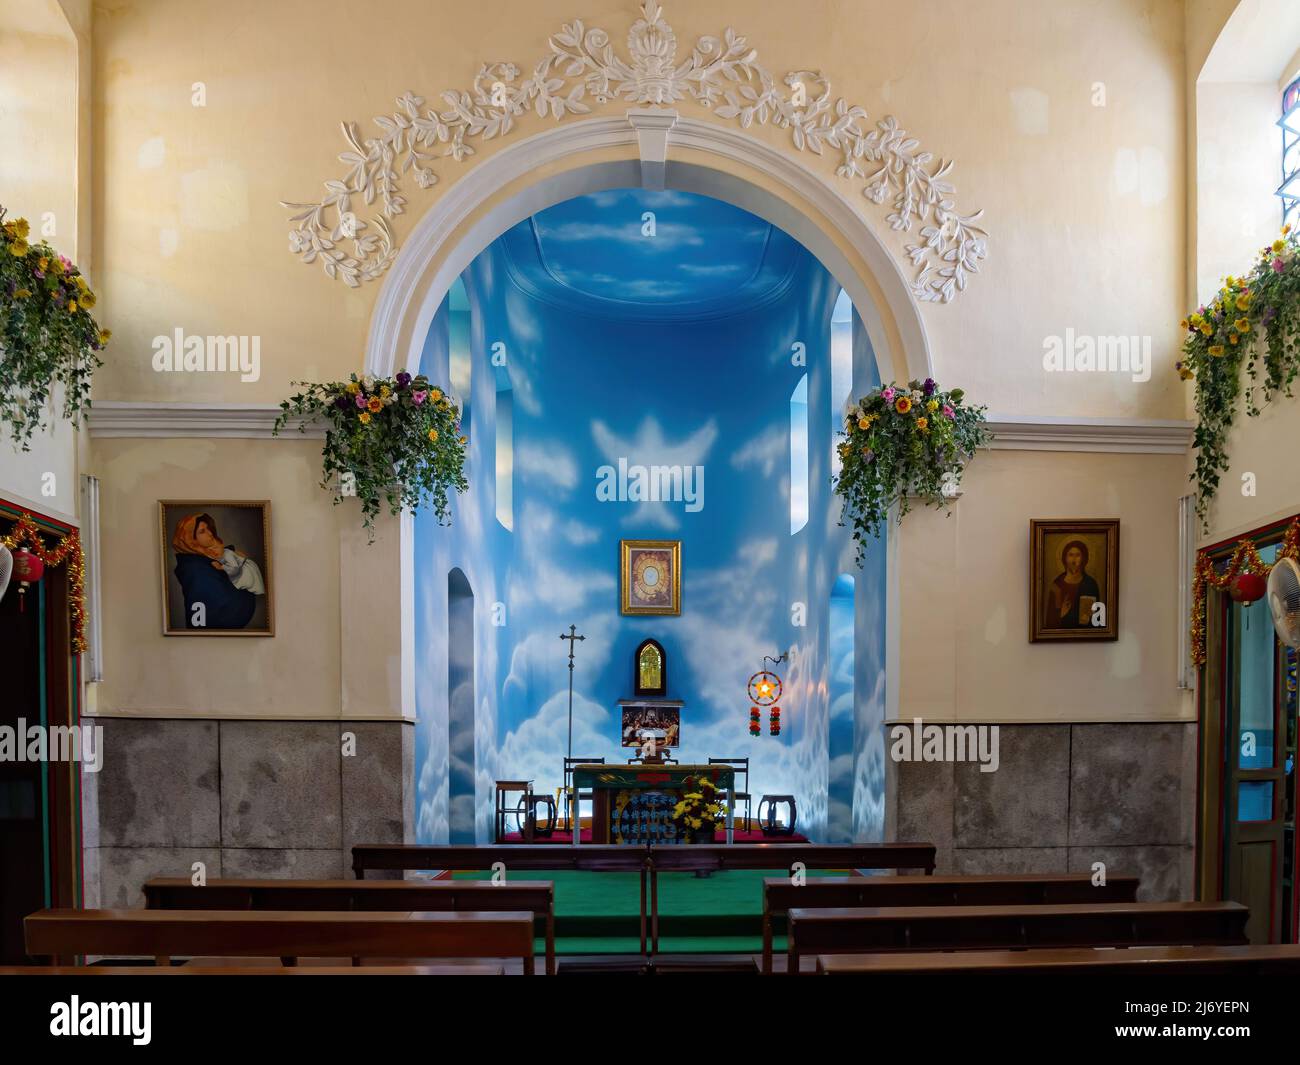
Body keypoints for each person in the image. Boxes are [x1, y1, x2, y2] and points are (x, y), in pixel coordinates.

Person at [171, 512, 261, 629]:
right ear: (191, 540)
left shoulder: (212, 556)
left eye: (208, 528)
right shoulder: (194, 569)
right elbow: (214, 610)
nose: (210, 533)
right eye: (202, 531)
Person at [1045, 539, 1101, 629]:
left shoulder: (1090, 584)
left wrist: (1090, 615)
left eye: (1078, 555)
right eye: (1070, 555)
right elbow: (1049, 621)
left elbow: (1097, 620)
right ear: (1065, 558)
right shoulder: (1057, 585)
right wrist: (1060, 613)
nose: (1074, 559)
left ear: (1083, 559)